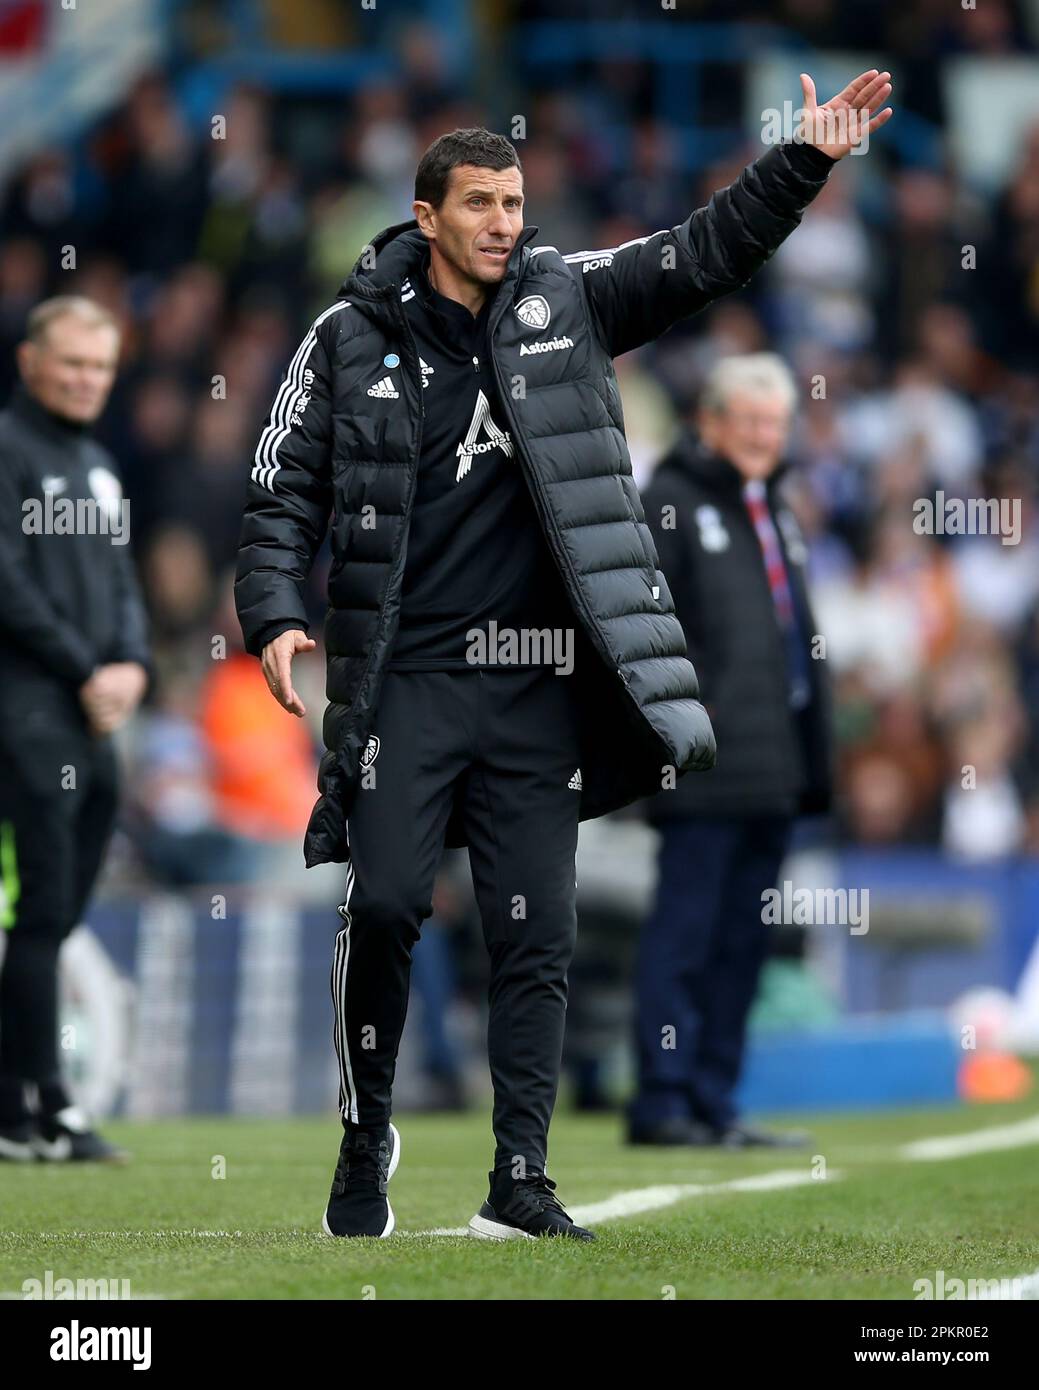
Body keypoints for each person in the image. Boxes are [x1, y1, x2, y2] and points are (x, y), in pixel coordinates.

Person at [234, 72, 892, 1240]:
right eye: (480, 202)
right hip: (409, 681)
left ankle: (519, 1174)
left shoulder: (565, 299)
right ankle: (364, 1123)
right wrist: (276, 609)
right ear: (425, 215)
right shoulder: (345, 339)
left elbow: (702, 254)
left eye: (516, 200)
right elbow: (281, 489)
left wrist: (803, 160)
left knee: (537, 930)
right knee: (383, 906)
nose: (504, 221)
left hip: (538, 684)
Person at [630, 353, 833, 1149]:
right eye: (746, 419)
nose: (760, 435)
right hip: (705, 764)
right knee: (683, 935)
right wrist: (685, 721)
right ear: (710, 421)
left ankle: (714, 1101)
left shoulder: (773, 508)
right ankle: (662, 1102)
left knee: (744, 943)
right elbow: (648, 629)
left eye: (773, 423)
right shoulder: (671, 502)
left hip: (776, 768)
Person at [0, 296, 151, 1162]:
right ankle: (45, 1107)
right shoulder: (8, 452)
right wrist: (81, 668)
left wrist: (129, 661)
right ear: (30, 362)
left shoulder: (97, 462)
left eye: (99, 367)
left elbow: (122, 582)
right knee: (40, 907)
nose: (87, 380)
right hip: (27, 713)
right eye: (71, 364)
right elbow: (7, 582)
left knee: (59, 911)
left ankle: (12, 1103)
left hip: (95, 718)